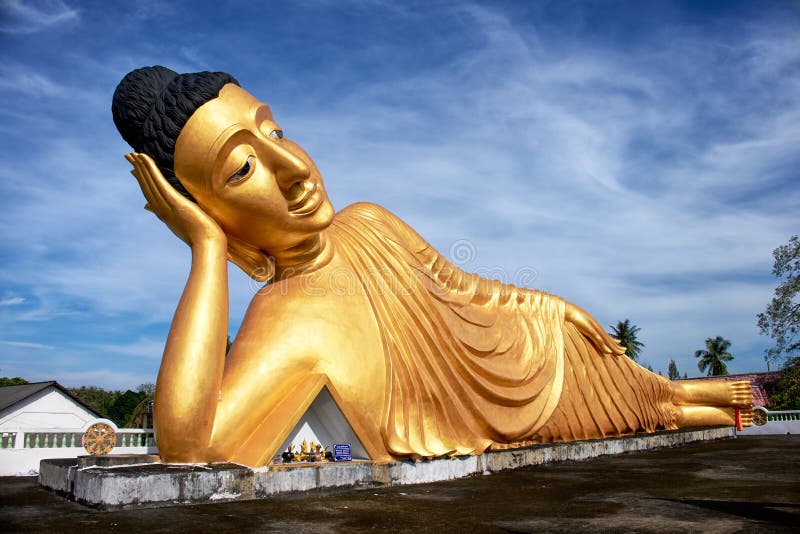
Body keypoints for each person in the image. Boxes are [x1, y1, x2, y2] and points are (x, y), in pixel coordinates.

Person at [112, 66, 753, 466]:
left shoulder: (367, 220)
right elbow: (191, 448)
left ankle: (682, 392)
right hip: (490, 417)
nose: (295, 169)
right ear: (209, 210)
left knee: (622, 380)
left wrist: (552, 307)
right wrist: (205, 249)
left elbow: (461, 286)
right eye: (243, 168)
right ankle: (687, 401)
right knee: (645, 414)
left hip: (509, 354)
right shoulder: (282, 319)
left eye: (274, 132)